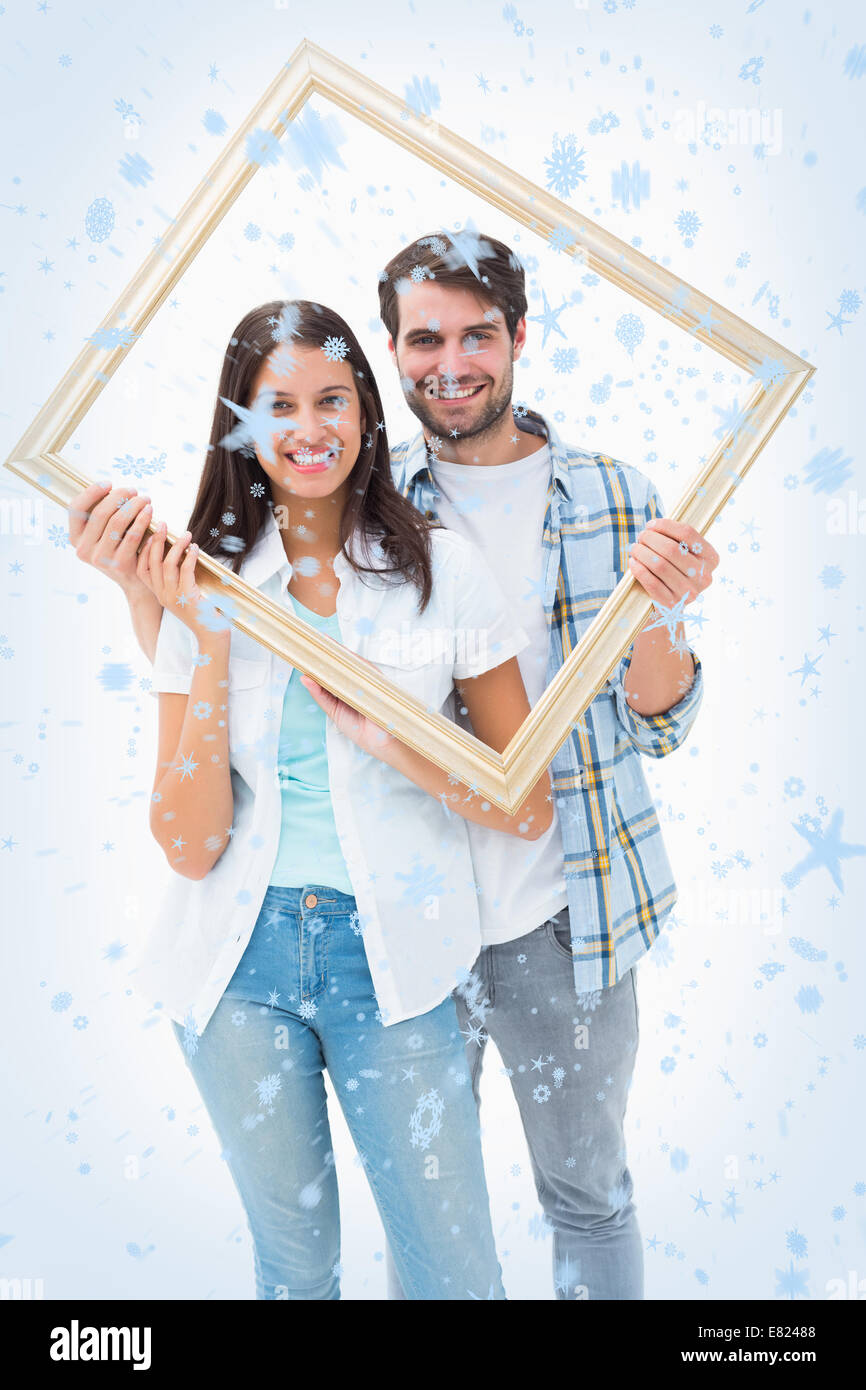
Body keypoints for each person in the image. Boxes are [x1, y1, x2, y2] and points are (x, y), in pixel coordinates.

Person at [71, 232, 718, 1302]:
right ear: (393, 358)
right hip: (326, 940)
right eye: (425, 338)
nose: (450, 363)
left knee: (558, 1207)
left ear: (518, 338)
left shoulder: (556, 514)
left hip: (529, 917)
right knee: (343, 1252)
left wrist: (662, 611)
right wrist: (157, 599)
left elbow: (606, 745)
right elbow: (206, 767)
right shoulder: (284, 544)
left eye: (477, 335)